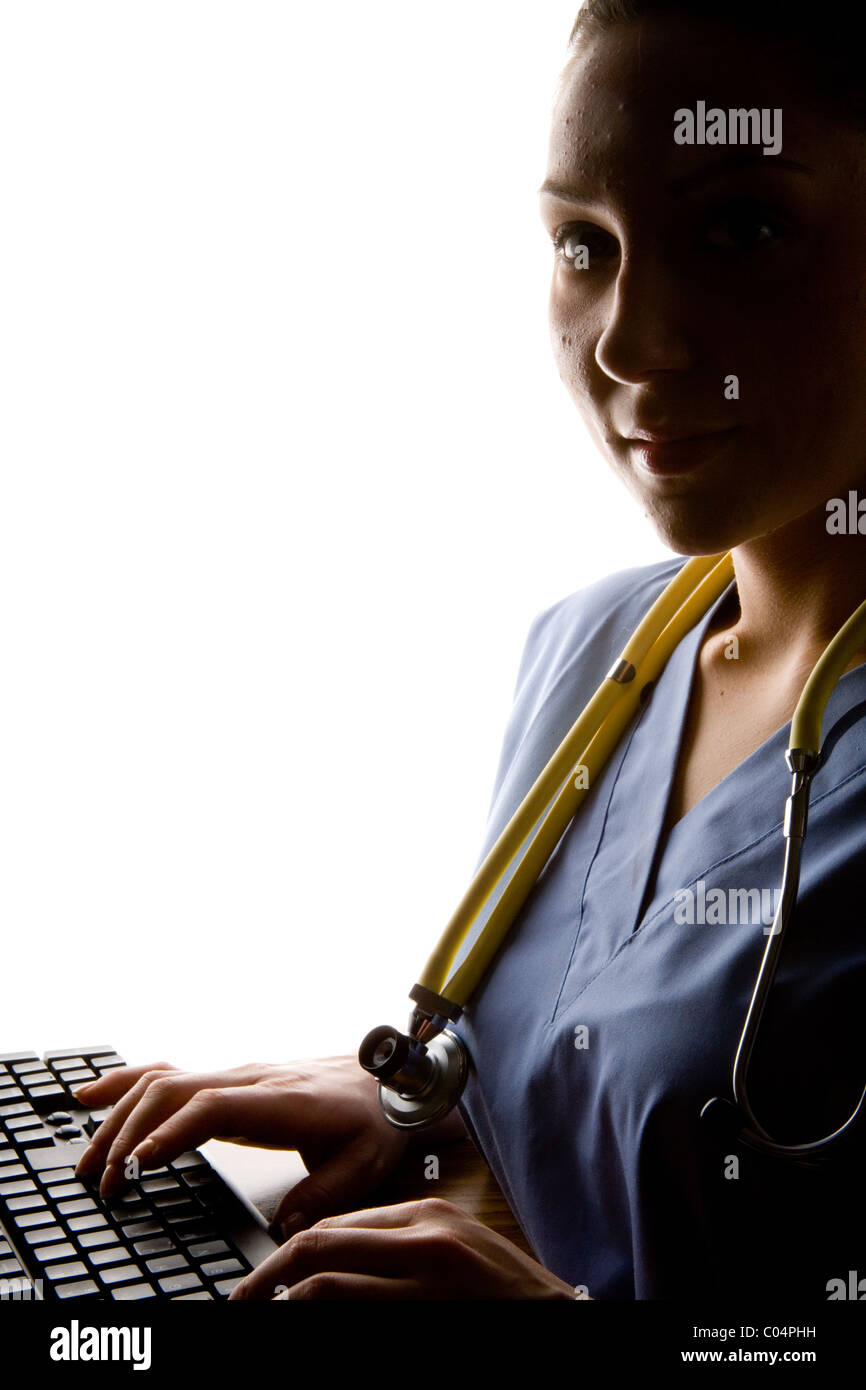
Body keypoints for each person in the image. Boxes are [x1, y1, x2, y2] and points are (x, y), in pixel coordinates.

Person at [72, 0, 866, 1299]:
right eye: (582, 244)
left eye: (740, 227)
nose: (626, 341)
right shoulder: (591, 651)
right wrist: (442, 1112)